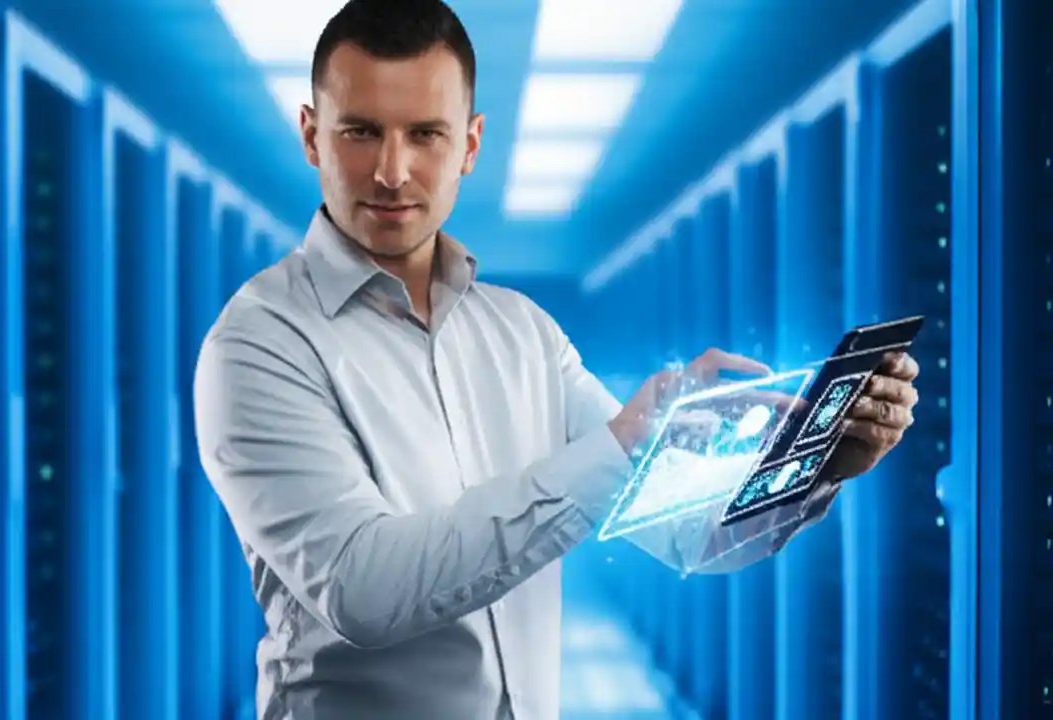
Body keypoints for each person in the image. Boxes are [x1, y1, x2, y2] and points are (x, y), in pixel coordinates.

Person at [192, 1, 921, 718]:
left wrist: (818, 464)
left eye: (425, 134)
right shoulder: (259, 344)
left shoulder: (524, 335)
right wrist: (621, 447)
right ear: (312, 136)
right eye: (360, 132)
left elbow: (682, 531)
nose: (392, 171)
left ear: (470, 145)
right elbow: (365, 590)